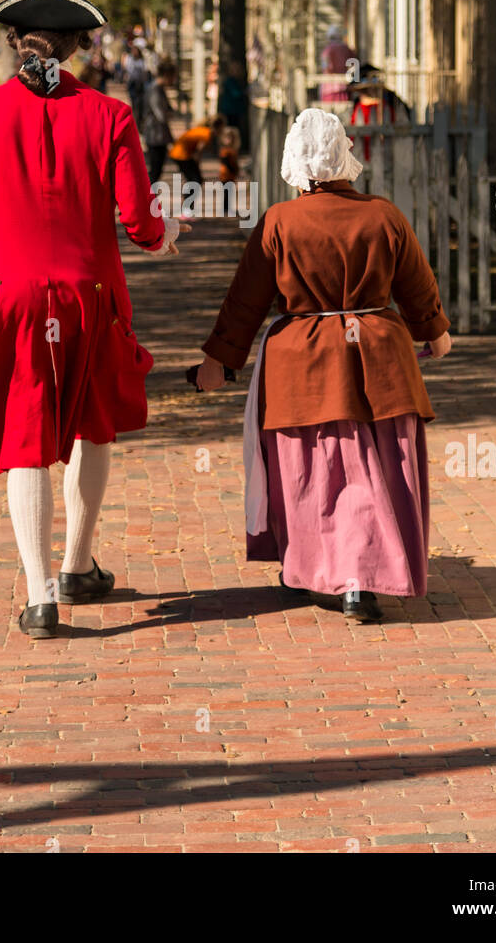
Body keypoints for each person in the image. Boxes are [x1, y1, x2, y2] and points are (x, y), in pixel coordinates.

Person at [0, 0, 189, 641]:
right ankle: (76, 564)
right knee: (92, 420)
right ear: (80, 45)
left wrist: (0, 240)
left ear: (13, 41)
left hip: (10, 292)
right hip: (90, 293)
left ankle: (41, 597)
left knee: (25, 430)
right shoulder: (110, 114)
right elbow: (139, 222)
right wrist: (165, 234)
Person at [195, 107, 451, 624]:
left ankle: (321, 570)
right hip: (380, 358)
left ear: (297, 161)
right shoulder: (384, 215)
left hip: (303, 365)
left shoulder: (280, 221)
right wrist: (435, 333)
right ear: (344, 156)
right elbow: (418, 286)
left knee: (316, 474)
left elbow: (246, 301)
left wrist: (219, 360)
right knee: (374, 468)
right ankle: (361, 578)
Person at [141, 60, 176, 183]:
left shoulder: (158, 88)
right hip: (155, 135)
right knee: (155, 171)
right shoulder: (155, 90)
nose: (173, 80)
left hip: (158, 134)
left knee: (157, 170)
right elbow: (161, 114)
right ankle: (147, 198)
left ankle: (149, 197)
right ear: (166, 75)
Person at [169, 114, 225, 189]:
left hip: (178, 153)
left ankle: (188, 198)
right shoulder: (207, 134)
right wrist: (197, 168)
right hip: (181, 155)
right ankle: (188, 199)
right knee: (195, 180)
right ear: (219, 127)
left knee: (194, 179)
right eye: (222, 128)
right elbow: (198, 153)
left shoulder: (204, 130)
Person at [319, 25, 358, 104]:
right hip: (345, 86)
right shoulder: (347, 49)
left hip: (330, 87)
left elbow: (326, 67)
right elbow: (354, 65)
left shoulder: (327, 50)